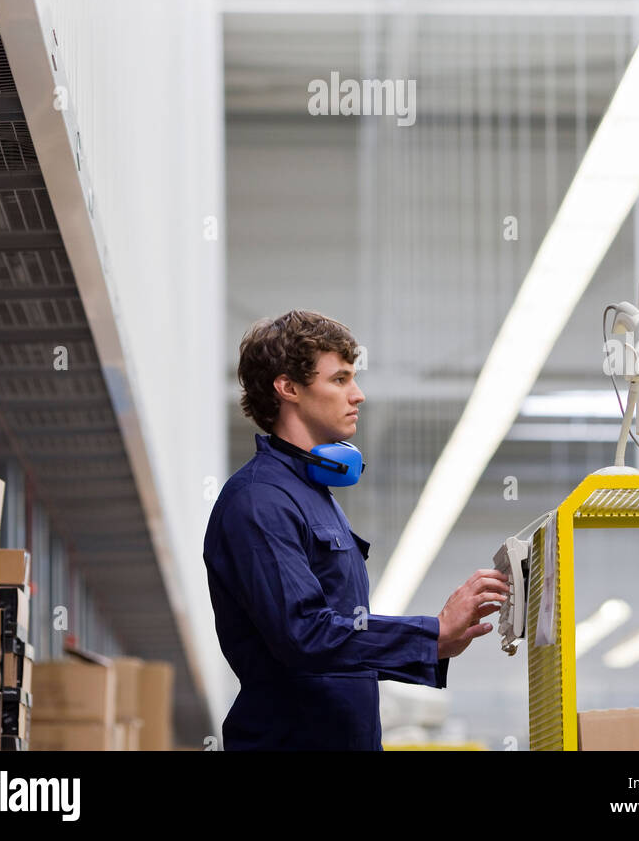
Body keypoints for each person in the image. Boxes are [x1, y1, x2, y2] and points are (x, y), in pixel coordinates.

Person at [203, 309, 510, 751]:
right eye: (340, 379)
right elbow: (305, 633)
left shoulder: (314, 496)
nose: (358, 394)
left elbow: (341, 638)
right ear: (288, 388)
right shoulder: (258, 501)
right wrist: (430, 632)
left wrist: (433, 648)